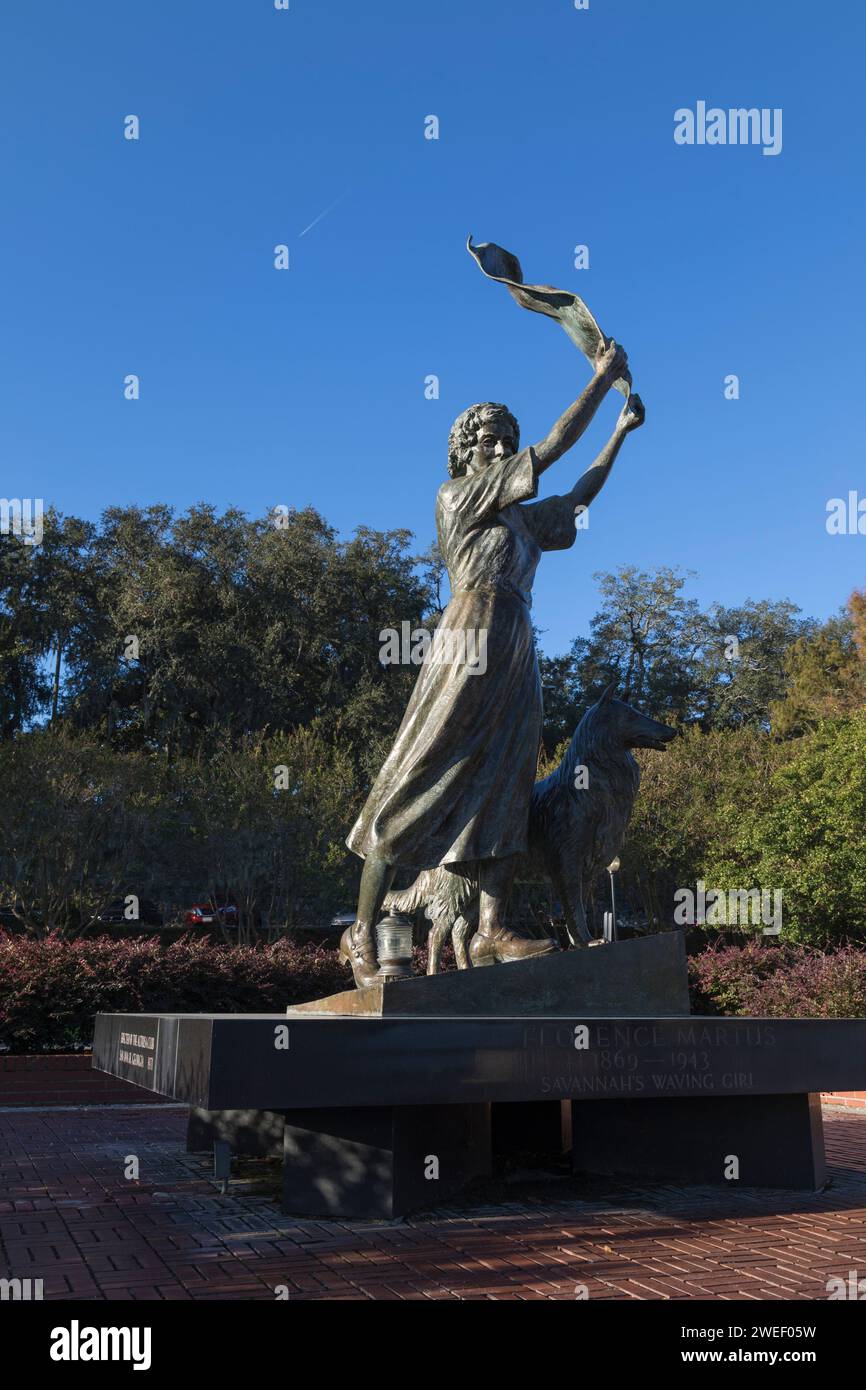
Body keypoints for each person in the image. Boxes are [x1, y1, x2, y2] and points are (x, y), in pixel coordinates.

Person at [342, 338, 645, 986]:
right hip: (468, 635)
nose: (503, 450)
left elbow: (577, 499)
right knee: (419, 772)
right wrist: (601, 380)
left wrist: (620, 430)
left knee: (508, 787)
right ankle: (362, 932)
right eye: (490, 441)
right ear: (465, 453)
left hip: (515, 649)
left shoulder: (522, 527)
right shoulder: (456, 498)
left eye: (507, 440)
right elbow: (553, 450)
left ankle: (488, 931)